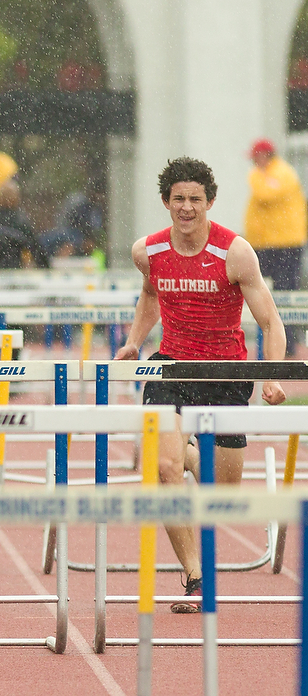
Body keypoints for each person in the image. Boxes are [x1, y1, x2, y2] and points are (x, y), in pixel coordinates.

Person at [115, 157, 287, 612]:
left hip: (225, 374)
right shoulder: (147, 251)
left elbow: (270, 321)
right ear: (165, 202)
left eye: (195, 199)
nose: (186, 207)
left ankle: (193, 456)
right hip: (170, 368)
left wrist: (271, 375)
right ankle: (195, 576)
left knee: (220, 497)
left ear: (210, 202)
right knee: (163, 469)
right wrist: (134, 341)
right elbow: (150, 294)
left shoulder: (235, 253)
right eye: (179, 199)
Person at [244, 138, 306, 354]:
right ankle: (278, 345)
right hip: (270, 245)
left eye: (255, 158)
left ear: (264, 156)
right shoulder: (271, 174)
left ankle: (285, 346)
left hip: (282, 245)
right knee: (267, 295)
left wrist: (255, 176)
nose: (253, 164)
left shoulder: (280, 173)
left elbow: (265, 193)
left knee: (283, 295)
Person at [0, 180, 50, 270]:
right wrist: (46, 269)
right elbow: (38, 252)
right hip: (11, 273)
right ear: (16, 199)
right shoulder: (20, 223)